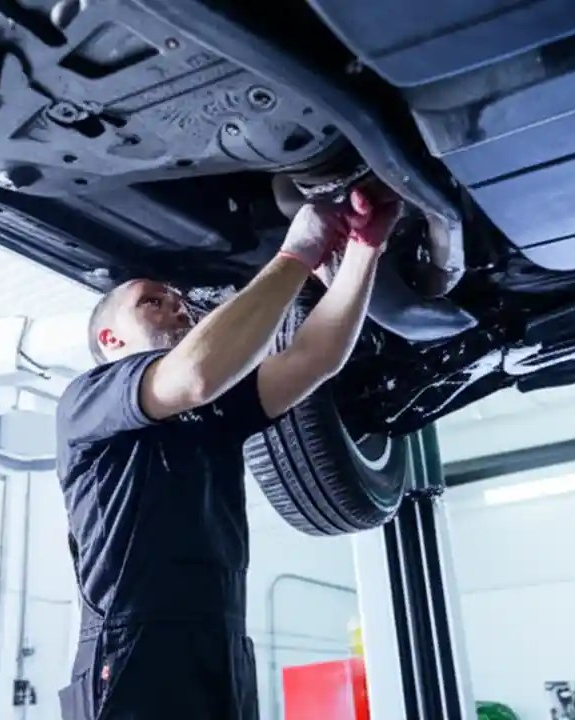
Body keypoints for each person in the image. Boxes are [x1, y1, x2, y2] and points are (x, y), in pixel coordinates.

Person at [54, 183, 401, 719]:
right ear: (111, 341)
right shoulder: (87, 400)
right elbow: (194, 375)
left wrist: (363, 249)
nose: (177, 306)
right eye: (152, 301)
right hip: (134, 651)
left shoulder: (208, 416)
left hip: (220, 643)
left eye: (179, 300)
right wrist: (297, 253)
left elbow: (313, 358)